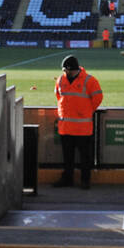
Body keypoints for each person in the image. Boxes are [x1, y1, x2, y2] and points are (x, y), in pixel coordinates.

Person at [53, 55, 103, 188]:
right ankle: (67, 179)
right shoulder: (60, 80)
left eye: (65, 70)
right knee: (67, 157)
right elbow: (58, 96)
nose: (64, 72)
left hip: (82, 128)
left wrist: (86, 111)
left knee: (85, 158)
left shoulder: (89, 80)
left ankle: (85, 181)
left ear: (70, 69)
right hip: (66, 127)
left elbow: (98, 98)